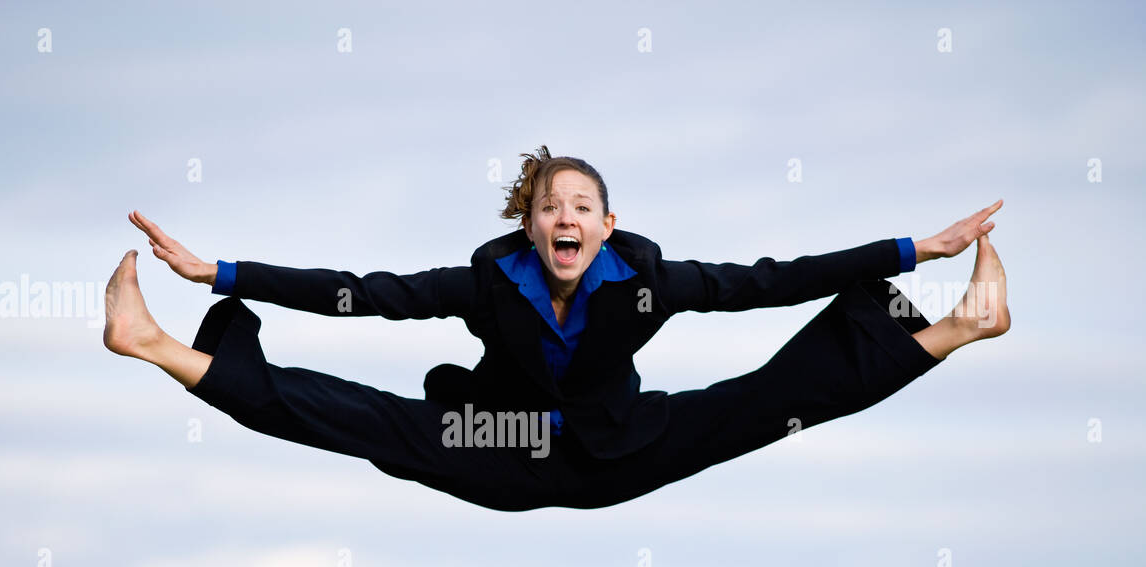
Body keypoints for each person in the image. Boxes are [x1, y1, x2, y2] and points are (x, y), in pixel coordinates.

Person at [103, 145, 1009, 512]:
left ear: (605, 226)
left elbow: (773, 282)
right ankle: (160, 346)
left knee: (764, 404)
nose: (564, 217)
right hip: (498, 445)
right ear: (530, 225)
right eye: (549, 206)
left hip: (620, 450)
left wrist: (911, 251)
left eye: (582, 206)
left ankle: (965, 325)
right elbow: (359, 294)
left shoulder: (650, 281)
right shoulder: (487, 284)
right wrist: (217, 272)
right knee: (360, 419)